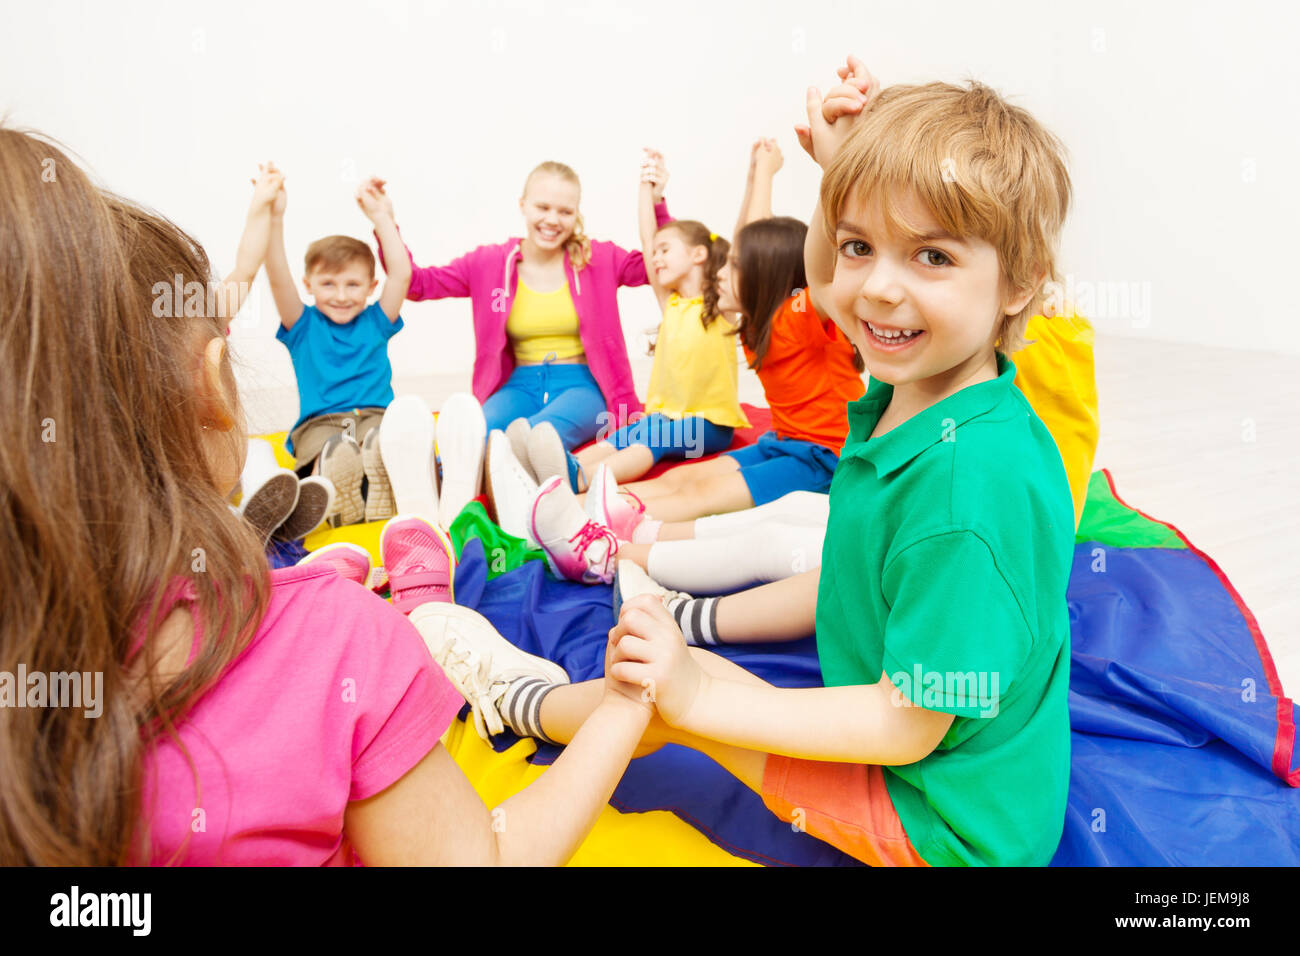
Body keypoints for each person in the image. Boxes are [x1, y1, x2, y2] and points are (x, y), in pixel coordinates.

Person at [453, 57, 1079, 868]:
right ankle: (602, 655)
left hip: (938, 824)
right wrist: (841, 167)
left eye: (932, 258)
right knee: (684, 663)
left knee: (659, 692)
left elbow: (904, 723)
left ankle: (519, 702)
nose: (878, 290)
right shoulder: (936, 387)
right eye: (862, 245)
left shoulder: (965, 492)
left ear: (1021, 281)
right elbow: (823, 278)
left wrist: (699, 694)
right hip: (945, 770)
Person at [0, 125, 653, 866]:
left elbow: (401, 277)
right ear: (213, 383)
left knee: (401, 436)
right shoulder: (334, 638)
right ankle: (435, 570)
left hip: (428, 415)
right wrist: (627, 706)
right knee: (374, 453)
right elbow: (484, 856)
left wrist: (359, 222)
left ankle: (418, 509)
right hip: (329, 439)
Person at [377, 160, 672, 451]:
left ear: (576, 214)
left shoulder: (600, 259)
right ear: (523, 205)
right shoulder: (488, 264)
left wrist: (656, 204)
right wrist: (385, 222)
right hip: (518, 386)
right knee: (476, 442)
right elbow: (416, 284)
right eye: (542, 207)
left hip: (583, 387)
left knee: (535, 439)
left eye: (565, 211)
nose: (553, 220)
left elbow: (663, 267)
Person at [265, 165, 412, 527]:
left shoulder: (376, 321)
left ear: (371, 286)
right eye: (329, 284)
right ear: (308, 284)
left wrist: (381, 217)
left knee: (380, 439)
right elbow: (276, 272)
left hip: (375, 416)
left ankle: (379, 484)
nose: (342, 296)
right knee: (329, 450)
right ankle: (332, 492)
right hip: (322, 422)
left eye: (352, 284)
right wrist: (274, 217)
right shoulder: (302, 325)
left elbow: (402, 273)